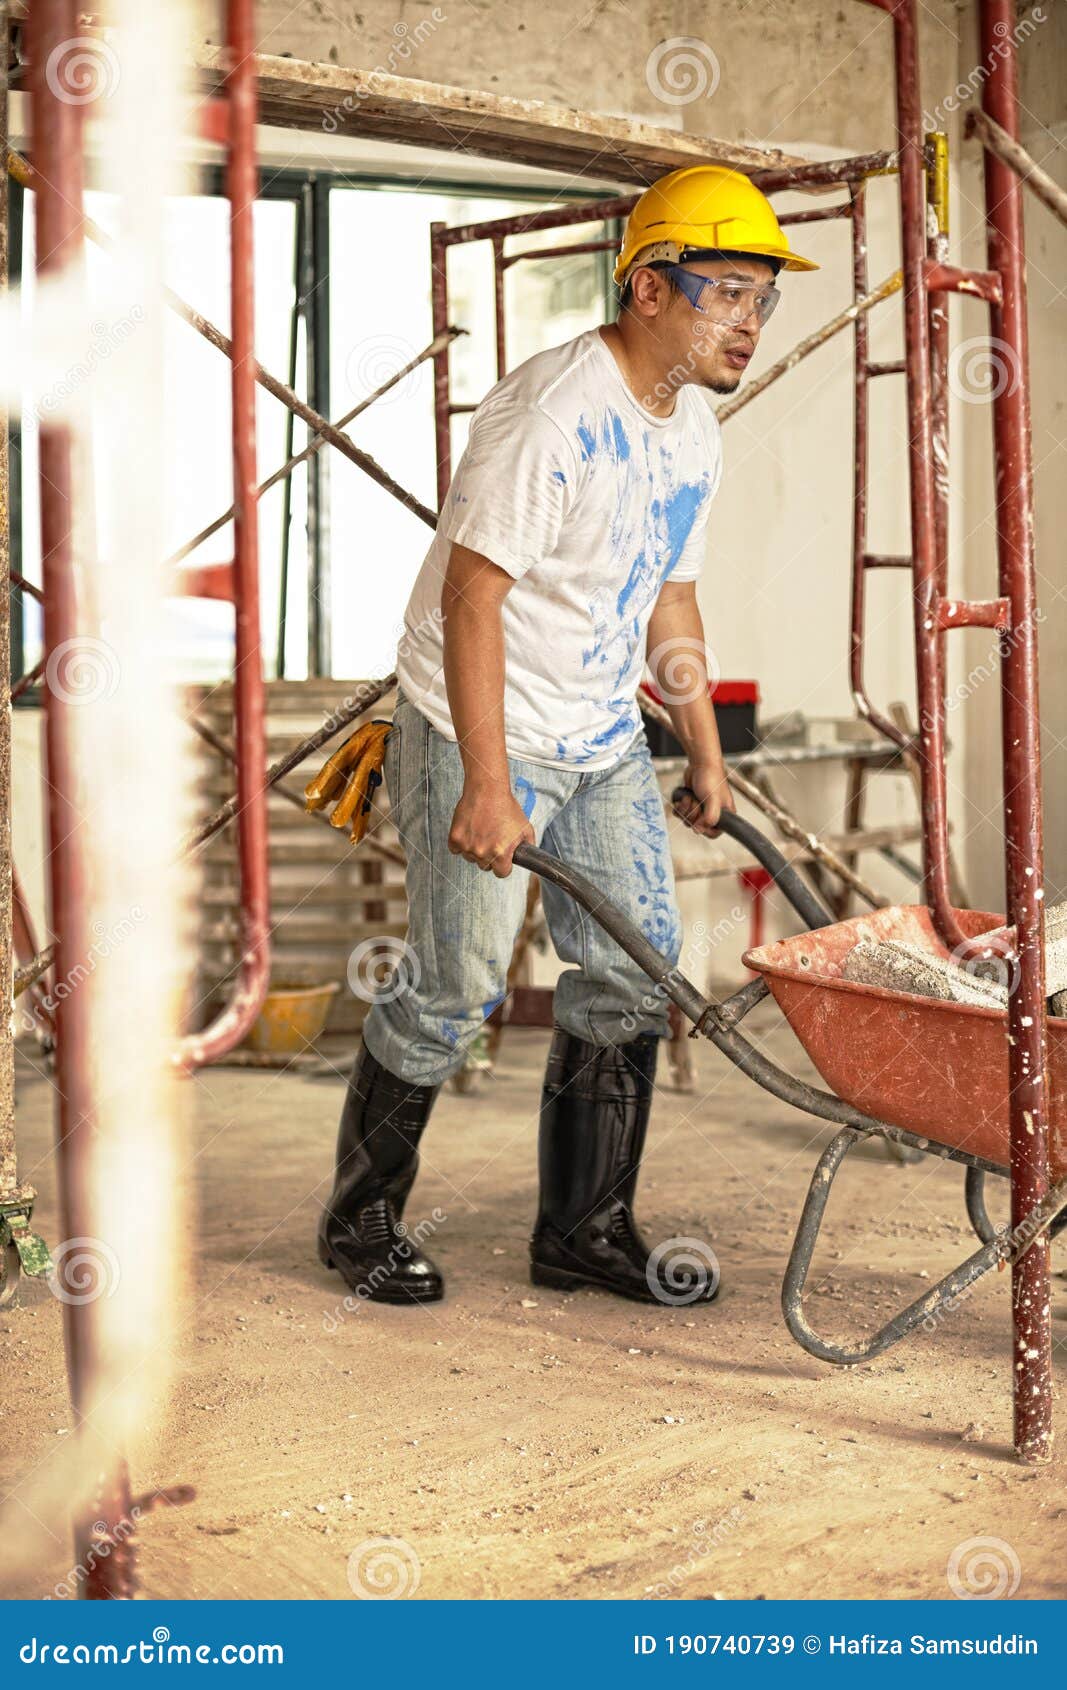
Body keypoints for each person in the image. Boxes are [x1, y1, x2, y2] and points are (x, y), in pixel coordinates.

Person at [318, 165, 817, 1306]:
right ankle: (359, 1222)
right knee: (452, 986)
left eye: (761, 299)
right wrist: (487, 785)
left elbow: (668, 601)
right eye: (726, 294)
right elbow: (471, 600)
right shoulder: (552, 413)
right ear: (648, 286)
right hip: (474, 724)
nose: (747, 322)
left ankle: (582, 1230)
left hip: (597, 736)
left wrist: (701, 752)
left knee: (634, 973)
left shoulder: (690, 429)